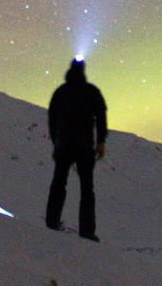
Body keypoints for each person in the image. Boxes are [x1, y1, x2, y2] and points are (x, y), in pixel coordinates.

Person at [44, 58, 107, 241]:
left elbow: (52, 120)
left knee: (59, 183)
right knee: (87, 189)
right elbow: (101, 117)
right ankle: (87, 230)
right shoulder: (91, 91)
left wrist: (56, 143)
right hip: (84, 146)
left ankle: (51, 221)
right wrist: (100, 142)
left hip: (64, 145)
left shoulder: (61, 92)